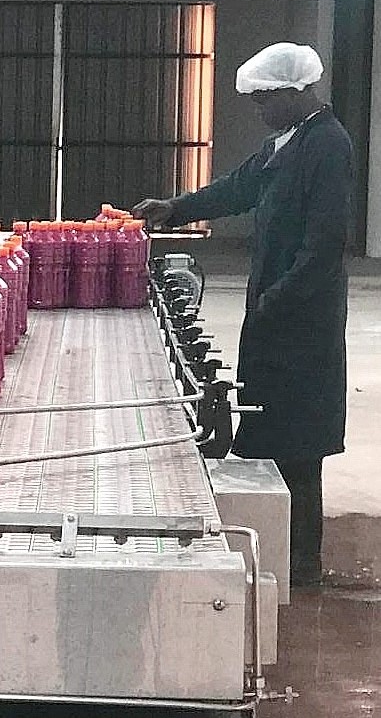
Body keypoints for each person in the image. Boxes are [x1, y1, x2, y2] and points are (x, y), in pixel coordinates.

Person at [134, 43, 352, 589]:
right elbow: (237, 189)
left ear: (295, 92)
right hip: (275, 313)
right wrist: (176, 208)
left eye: (264, 99)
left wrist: (280, 299)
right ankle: (274, 552)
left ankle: (301, 565)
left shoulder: (327, 145)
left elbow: (325, 245)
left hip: (304, 321)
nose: (258, 110)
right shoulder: (286, 143)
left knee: (298, 444)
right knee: (268, 432)